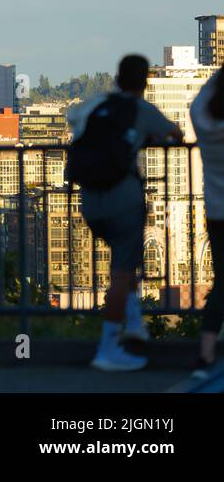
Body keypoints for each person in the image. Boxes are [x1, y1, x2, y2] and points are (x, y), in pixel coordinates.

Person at [66, 54, 182, 373]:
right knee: (121, 273)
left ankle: (134, 322)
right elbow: (175, 135)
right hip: (123, 200)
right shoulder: (141, 109)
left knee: (125, 263)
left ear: (117, 78)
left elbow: (73, 121)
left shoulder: (97, 105)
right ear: (144, 82)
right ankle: (108, 348)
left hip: (90, 201)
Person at [189, 67, 224, 378]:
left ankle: (206, 352)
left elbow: (199, 100)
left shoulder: (204, 120)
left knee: (222, 282)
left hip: (216, 212)